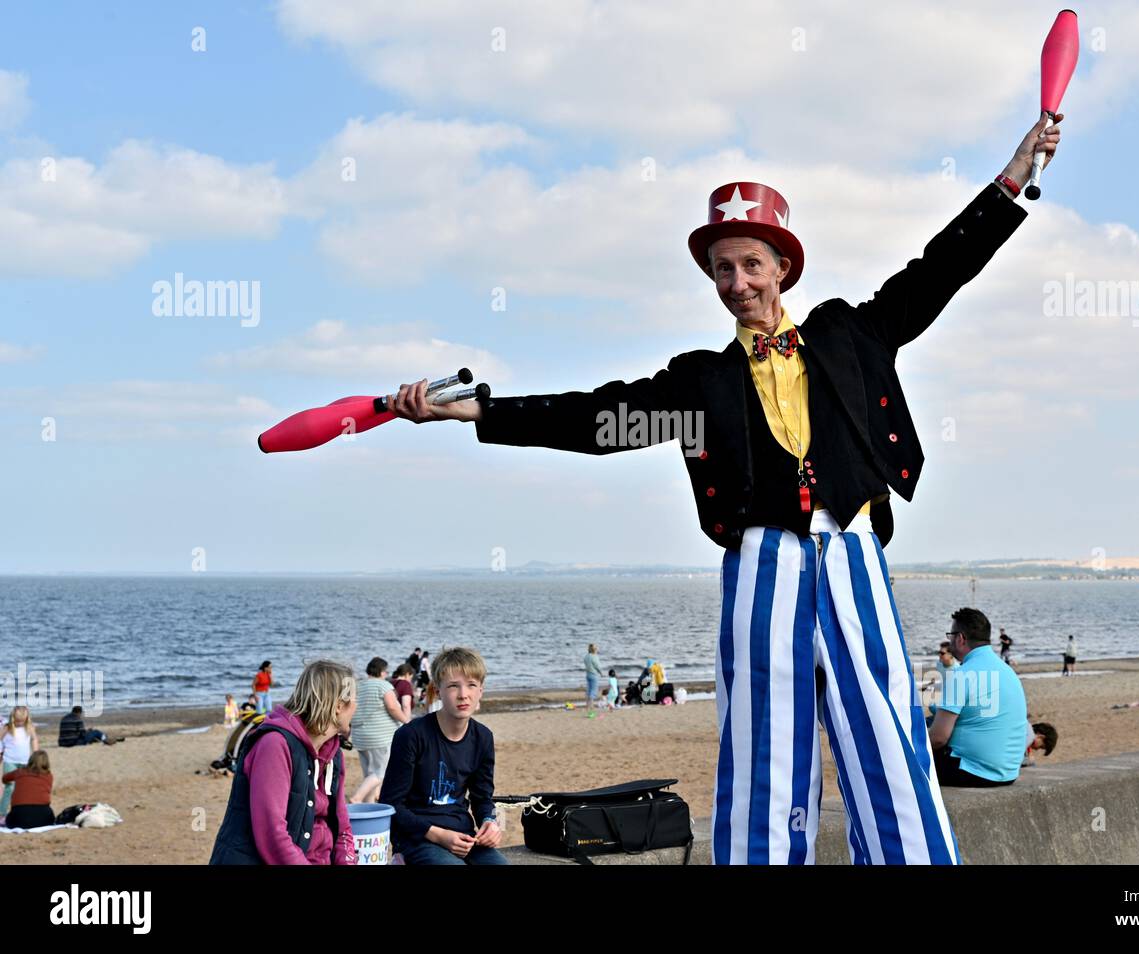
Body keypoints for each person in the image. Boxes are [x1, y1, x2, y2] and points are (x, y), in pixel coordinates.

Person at [386, 114, 1062, 865]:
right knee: (764, 760)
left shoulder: (850, 335)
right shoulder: (701, 384)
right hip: (761, 566)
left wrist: (1010, 180)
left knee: (892, 747)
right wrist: (476, 409)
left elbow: (939, 270)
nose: (736, 283)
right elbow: (596, 417)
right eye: (722, 270)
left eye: (750, 264)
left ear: (782, 268)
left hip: (854, 554)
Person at [210, 660, 356, 865]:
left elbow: (342, 828)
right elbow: (272, 834)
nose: (357, 707)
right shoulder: (275, 745)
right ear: (339, 706)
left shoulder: (334, 755)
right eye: (355, 700)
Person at [379, 647, 506, 865]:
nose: (463, 694)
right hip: (417, 836)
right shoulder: (410, 735)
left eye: (471, 685)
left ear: (481, 691)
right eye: (453, 686)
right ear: (438, 691)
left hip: (463, 835)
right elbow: (391, 804)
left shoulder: (483, 737)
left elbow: (482, 797)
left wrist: (489, 821)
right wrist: (438, 835)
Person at [929, 608, 1028, 788]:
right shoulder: (1007, 672)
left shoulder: (962, 675)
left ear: (960, 638)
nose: (950, 641)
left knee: (901, 759)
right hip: (1008, 773)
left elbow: (938, 739)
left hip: (973, 772)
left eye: (951, 636)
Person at [349, 657, 409, 804]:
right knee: (380, 773)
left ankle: (370, 805)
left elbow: (350, 708)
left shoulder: (357, 686)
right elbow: (393, 707)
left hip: (360, 737)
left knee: (369, 774)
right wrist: (407, 721)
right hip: (380, 736)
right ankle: (357, 798)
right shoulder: (384, 686)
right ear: (382, 671)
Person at [3, 750, 55, 830]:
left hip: (18, 817)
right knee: (50, 814)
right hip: (42, 818)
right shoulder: (49, 776)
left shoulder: (19, 772)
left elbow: (5, 778)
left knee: (9, 819)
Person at [1, 706, 39, 817]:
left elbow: (34, 739)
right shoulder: (7, 728)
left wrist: (35, 753)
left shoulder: (29, 727)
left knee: (24, 787)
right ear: (12, 718)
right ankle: (1, 813)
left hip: (25, 762)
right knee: (10, 787)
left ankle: (21, 811)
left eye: (22, 721)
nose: (20, 723)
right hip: (10, 761)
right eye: (17, 721)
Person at [583, 644, 603, 718]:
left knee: (589, 691)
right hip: (593, 675)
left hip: (588, 675)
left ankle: (587, 707)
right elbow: (597, 666)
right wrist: (601, 673)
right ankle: (591, 708)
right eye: (596, 648)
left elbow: (585, 663)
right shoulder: (594, 656)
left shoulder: (586, 656)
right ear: (594, 649)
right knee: (593, 692)